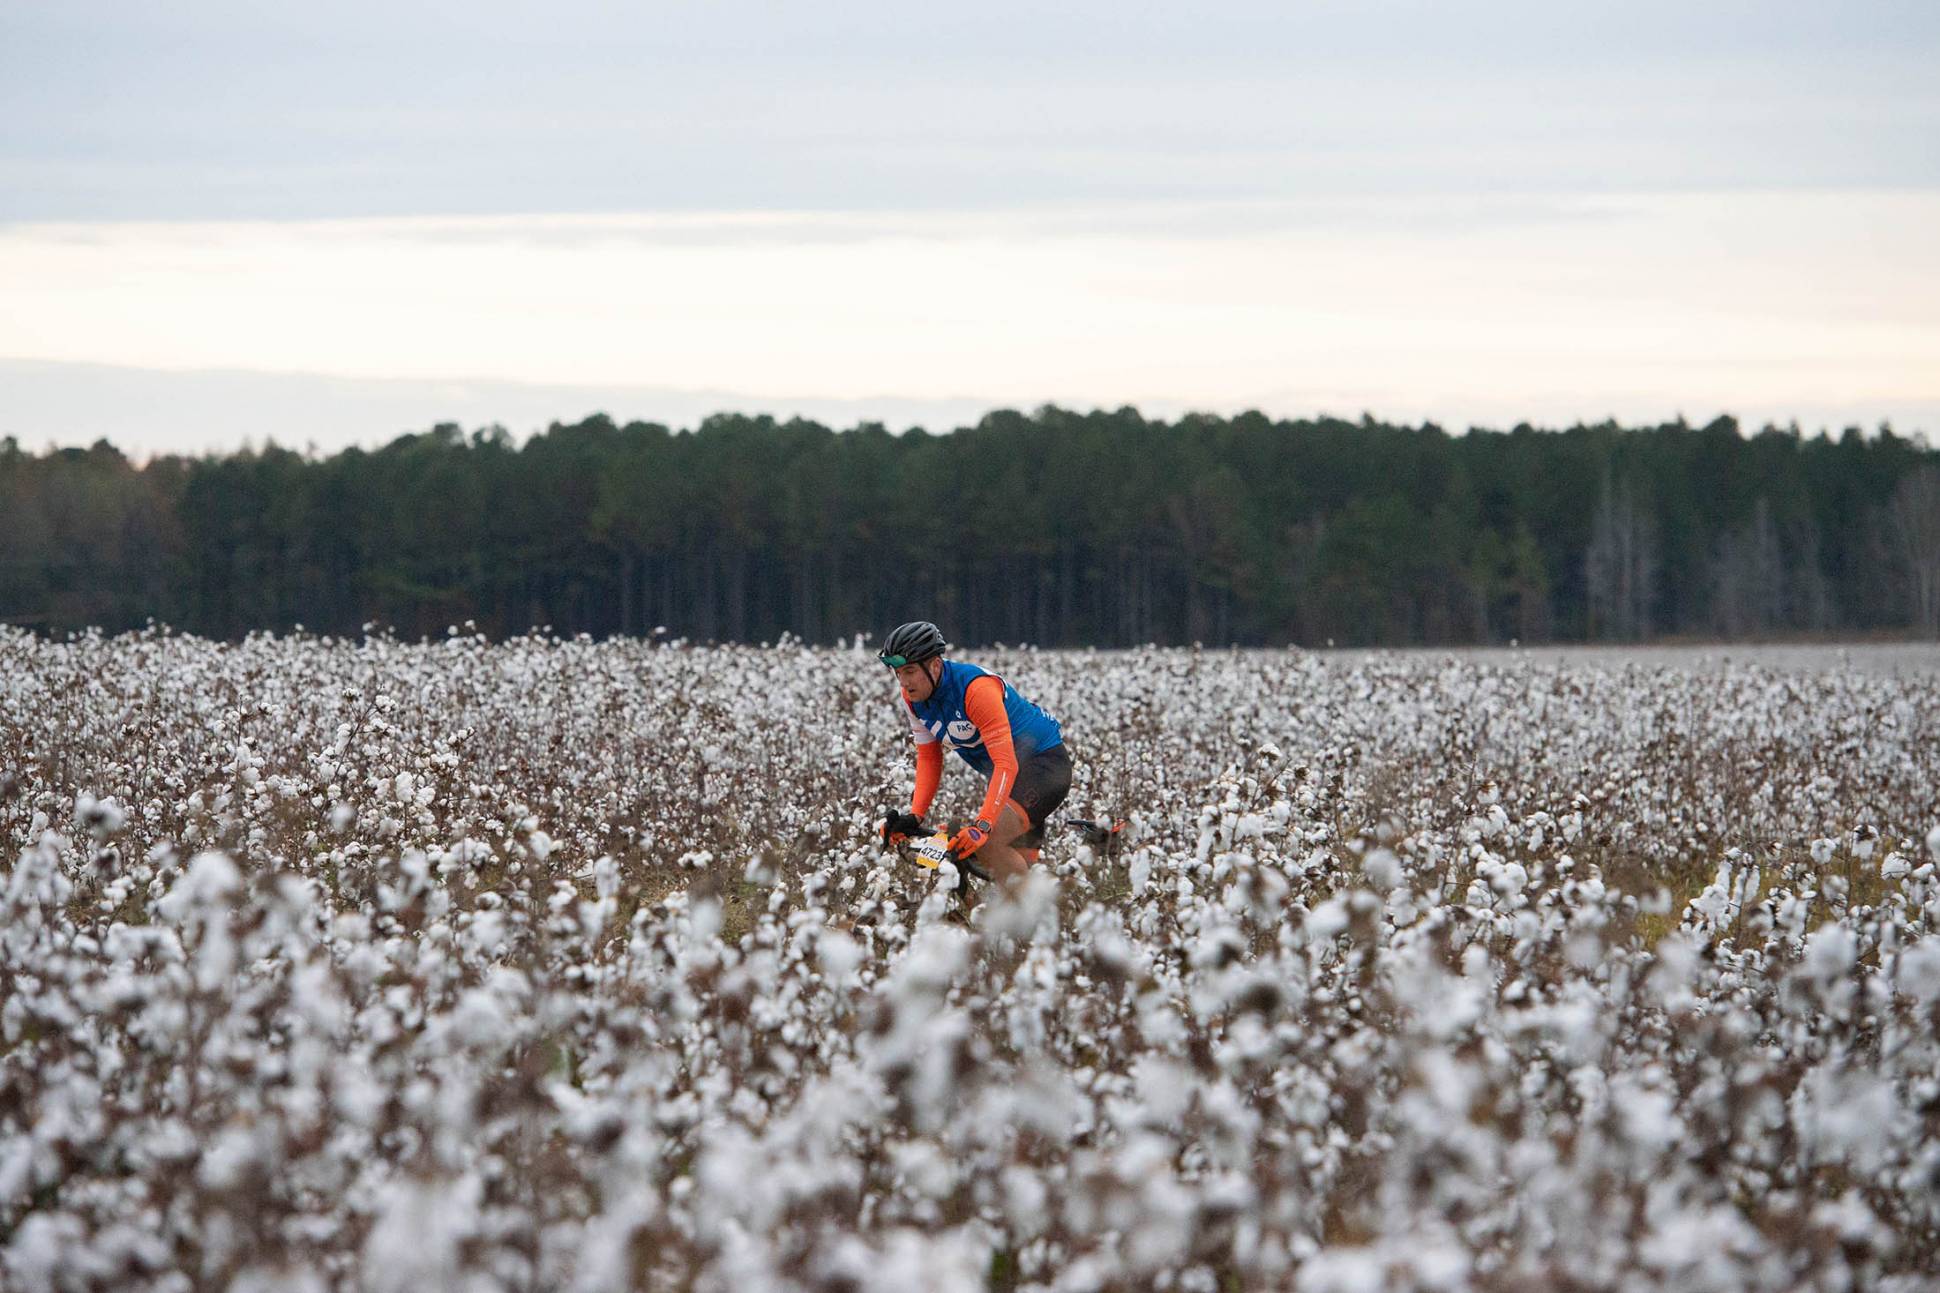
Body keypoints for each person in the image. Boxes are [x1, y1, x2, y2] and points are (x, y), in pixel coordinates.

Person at [876, 620, 1071, 889]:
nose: (904, 681)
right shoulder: (914, 698)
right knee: (1006, 865)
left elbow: (1005, 763)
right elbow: (930, 757)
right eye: (897, 672)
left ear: (934, 665)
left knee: (988, 844)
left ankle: (1039, 923)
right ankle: (1048, 911)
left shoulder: (976, 690)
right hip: (1010, 779)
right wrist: (915, 816)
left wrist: (983, 826)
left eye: (909, 671)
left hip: (1043, 768)